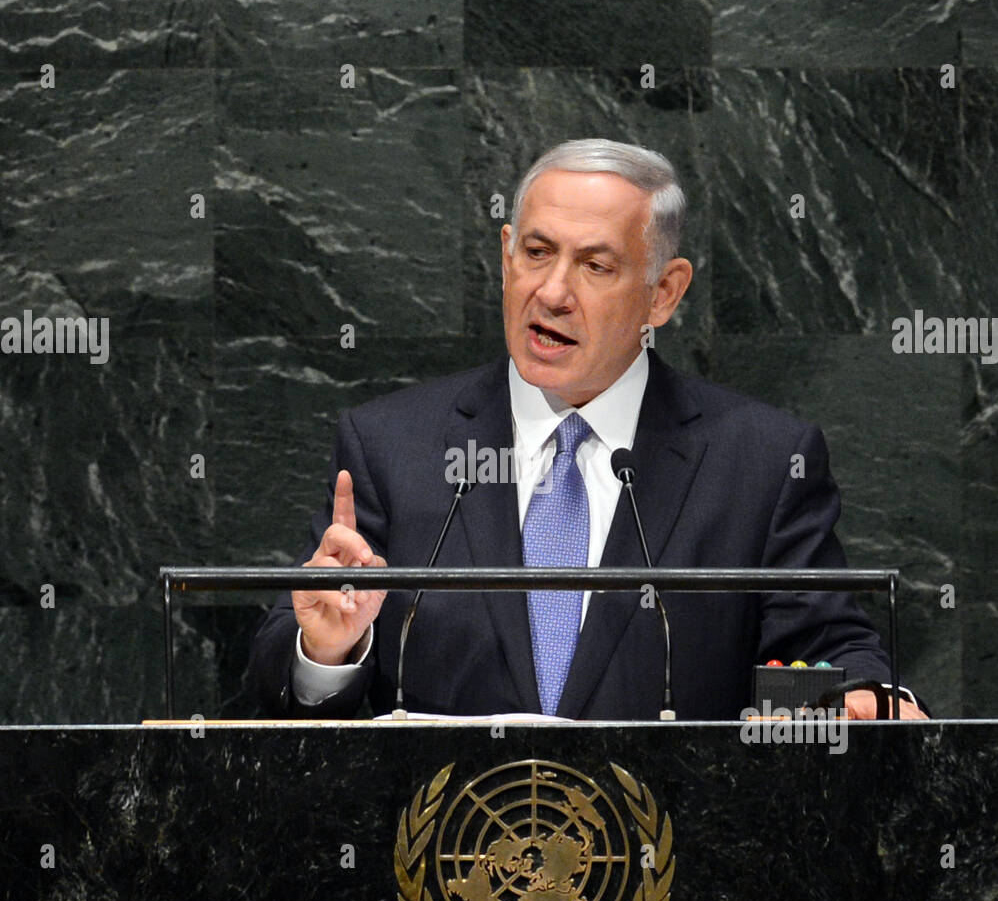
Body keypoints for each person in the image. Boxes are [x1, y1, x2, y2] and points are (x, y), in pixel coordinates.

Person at [247, 139, 926, 721]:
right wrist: (328, 651)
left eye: (596, 266)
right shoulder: (392, 447)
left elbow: (830, 650)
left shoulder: (762, 461)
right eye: (537, 252)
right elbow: (274, 693)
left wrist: (862, 697)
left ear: (664, 292)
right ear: (506, 255)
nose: (552, 292)